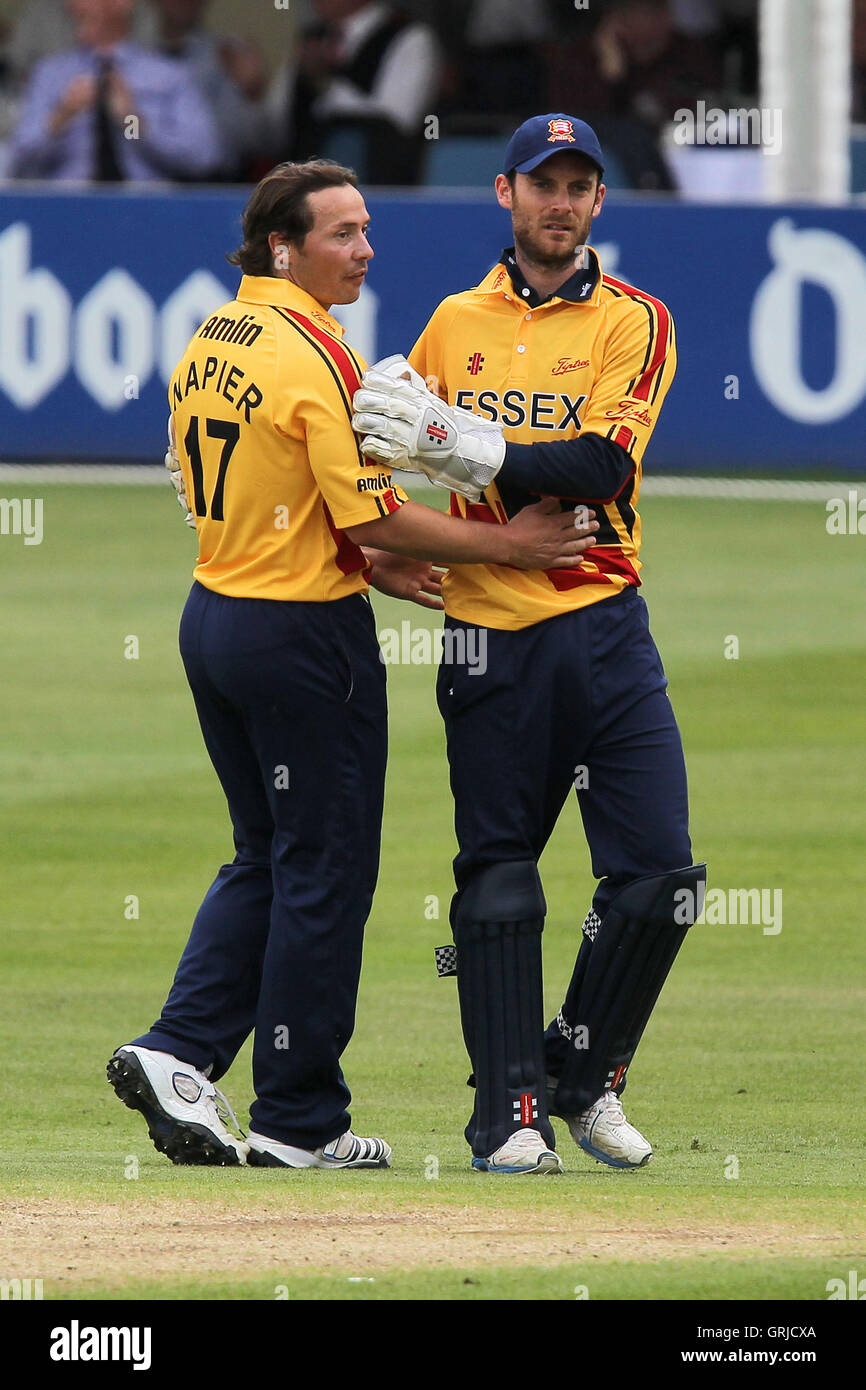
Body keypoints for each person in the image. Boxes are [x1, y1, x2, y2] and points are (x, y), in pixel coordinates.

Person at [106, 158, 597, 1171]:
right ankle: (299, 1116)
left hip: (216, 617)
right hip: (299, 639)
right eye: (341, 233)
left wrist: (365, 556)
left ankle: (179, 1052)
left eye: (366, 228)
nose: (365, 249)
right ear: (281, 246)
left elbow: (252, 491)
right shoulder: (311, 353)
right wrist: (506, 548)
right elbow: (370, 509)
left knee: (267, 855)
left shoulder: (211, 334)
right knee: (323, 871)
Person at [352, 113, 706, 1175]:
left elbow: (600, 470)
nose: (560, 203)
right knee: (498, 877)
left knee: (657, 878)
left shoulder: (633, 321)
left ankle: (580, 1075)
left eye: (578, 186)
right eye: (541, 184)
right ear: (503, 195)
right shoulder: (452, 323)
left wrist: (464, 445)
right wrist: (381, 549)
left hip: (603, 627)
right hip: (485, 637)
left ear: (598, 203)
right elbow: (375, 447)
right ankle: (504, 1116)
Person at [8, 0, 221, 182]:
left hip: (146, 207)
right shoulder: (50, 73)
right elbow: (18, 159)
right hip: (67, 205)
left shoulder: (167, 75)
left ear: (122, 3)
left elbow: (204, 156)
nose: (74, 7)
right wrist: (63, 115)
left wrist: (132, 120)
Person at [265, 0, 440, 185]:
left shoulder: (409, 36)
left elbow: (397, 121)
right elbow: (273, 133)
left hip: (374, 189)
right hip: (300, 192)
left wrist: (327, 83)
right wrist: (252, 94)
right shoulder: (312, 40)